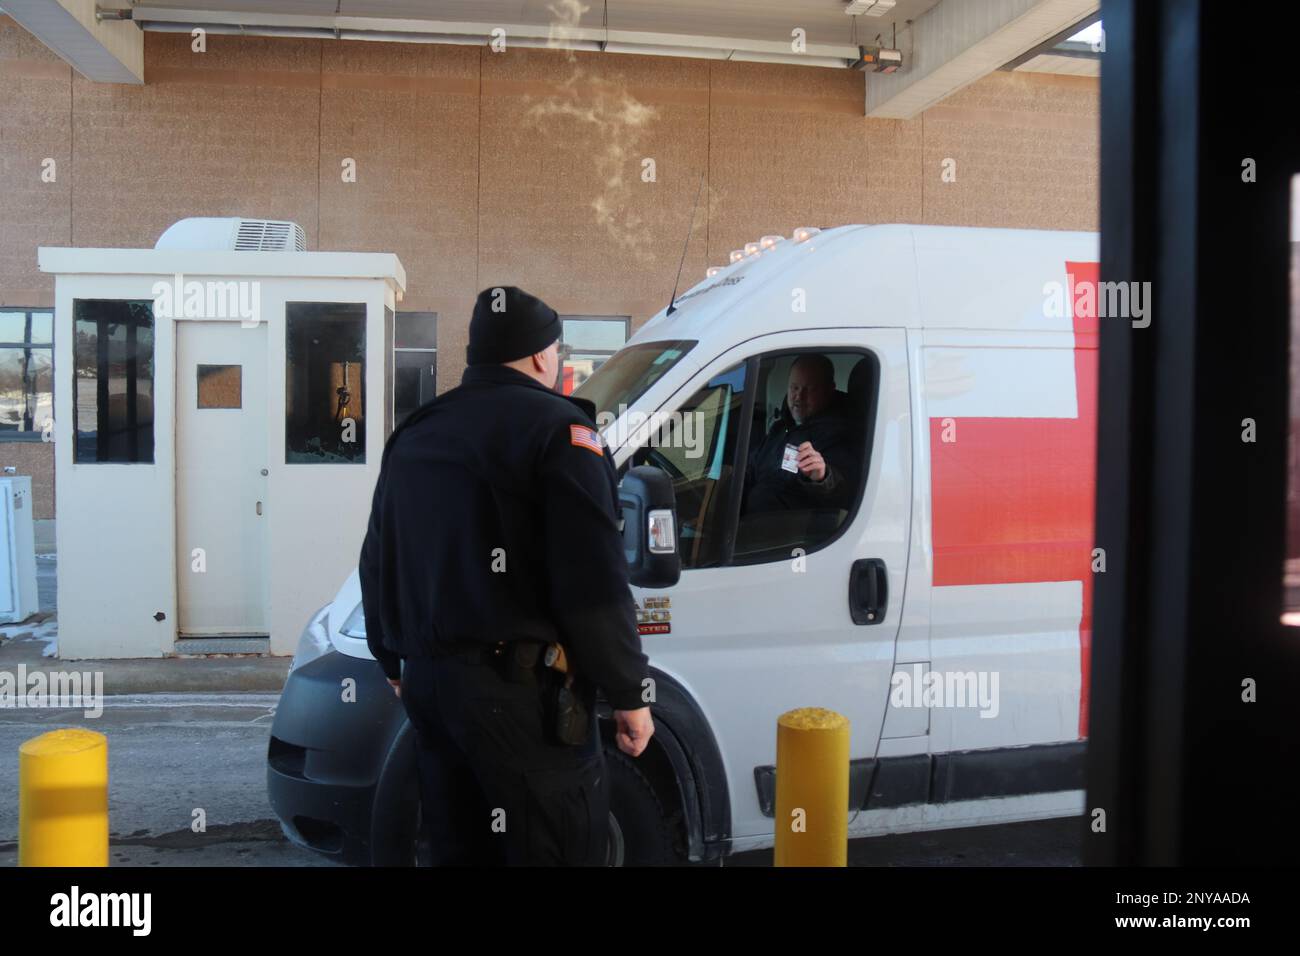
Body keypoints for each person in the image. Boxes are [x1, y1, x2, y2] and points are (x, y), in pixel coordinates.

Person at [358, 285, 654, 866]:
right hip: (522, 704)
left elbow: (377, 559)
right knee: (557, 844)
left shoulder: (417, 432)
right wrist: (629, 691)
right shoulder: (562, 434)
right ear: (544, 356)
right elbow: (593, 584)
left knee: (460, 849)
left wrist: (392, 659)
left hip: (432, 691)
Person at [742, 354, 860, 514]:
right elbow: (751, 468)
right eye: (794, 387)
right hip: (751, 523)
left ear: (829, 390)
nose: (799, 396)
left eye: (810, 389)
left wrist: (822, 478)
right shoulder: (780, 428)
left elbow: (845, 492)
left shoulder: (840, 433)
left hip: (792, 533)